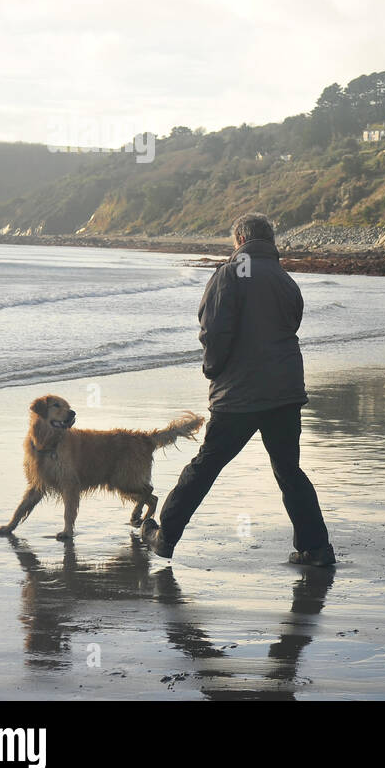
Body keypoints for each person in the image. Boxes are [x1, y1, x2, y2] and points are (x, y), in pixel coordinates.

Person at [141, 213, 335, 567]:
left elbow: (213, 331)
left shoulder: (229, 275)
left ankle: (165, 536)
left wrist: (212, 369)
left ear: (239, 241)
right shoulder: (285, 280)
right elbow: (289, 326)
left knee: (206, 466)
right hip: (285, 392)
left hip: (240, 394)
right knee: (289, 470)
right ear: (269, 241)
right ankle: (316, 548)